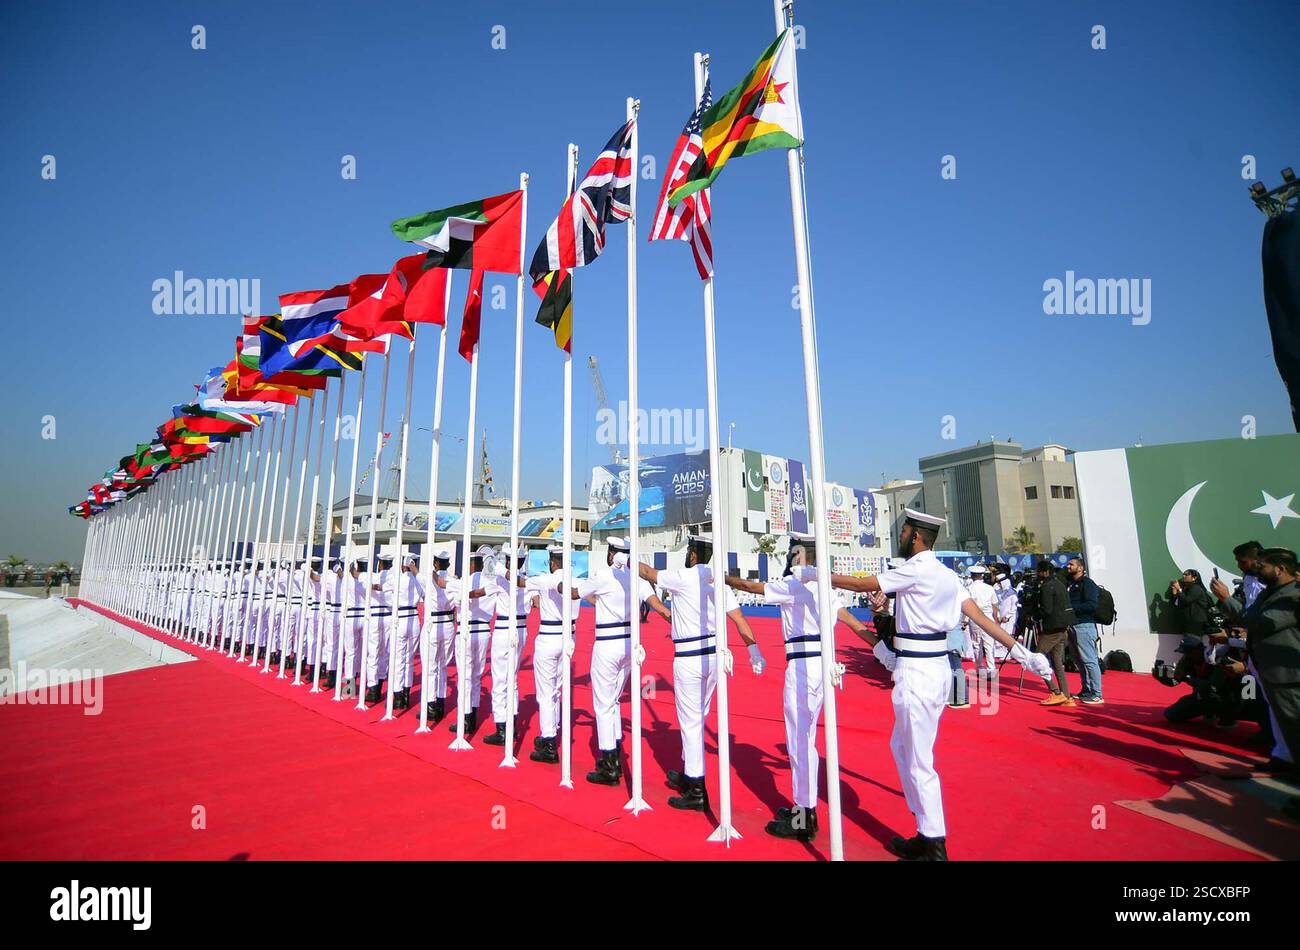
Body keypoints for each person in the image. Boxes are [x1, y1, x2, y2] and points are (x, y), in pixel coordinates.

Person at [822, 508, 1053, 861]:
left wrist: (820, 573)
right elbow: (981, 619)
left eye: (903, 532)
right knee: (902, 748)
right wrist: (1021, 652)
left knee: (918, 759)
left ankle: (934, 843)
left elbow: (863, 585)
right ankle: (925, 830)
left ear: (916, 536)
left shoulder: (917, 568)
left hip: (918, 672)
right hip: (928, 668)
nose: (900, 537)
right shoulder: (947, 576)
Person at [725, 532, 874, 840]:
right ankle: (803, 808)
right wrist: (883, 650)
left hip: (804, 667)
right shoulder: (824, 587)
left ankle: (803, 815)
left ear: (798, 555)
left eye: (792, 553)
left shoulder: (795, 584)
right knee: (805, 739)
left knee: (799, 742)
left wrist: (722, 577)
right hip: (822, 666)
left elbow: (752, 587)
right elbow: (851, 621)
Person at [640, 534, 765, 812]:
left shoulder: (684, 577)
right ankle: (688, 773)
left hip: (689, 659)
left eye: (689, 551)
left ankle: (696, 788)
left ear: (694, 554)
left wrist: (625, 557)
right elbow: (738, 618)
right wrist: (753, 649)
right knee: (698, 717)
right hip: (714, 659)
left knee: (691, 722)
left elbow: (647, 572)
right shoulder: (715, 580)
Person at [563, 537, 670, 787]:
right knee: (614, 701)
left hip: (608, 645)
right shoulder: (638, 579)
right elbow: (660, 608)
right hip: (630, 646)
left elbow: (575, 593)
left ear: (612, 554)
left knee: (603, 704)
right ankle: (616, 753)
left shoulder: (603, 575)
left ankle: (609, 764)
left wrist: (558, 586)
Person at [1214, 547, 1299, 777]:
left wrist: (1226, 599)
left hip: (1287, 671)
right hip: (1269, 667)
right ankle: (1284, 759)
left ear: (1280, 569)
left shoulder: (1293, 594)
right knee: (1279, 717)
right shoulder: (1270, 592)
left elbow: (1265, 623)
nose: (1256, 570)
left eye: (1263, 566)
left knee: (1294, 722)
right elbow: (1248, 617)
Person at [482, 544, 538, 747]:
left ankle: (502, 727)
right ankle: (511, 723)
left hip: (505, 628)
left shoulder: (501, 579)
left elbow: (482, 592)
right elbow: (537, 602)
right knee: (512, 679)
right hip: (522, 629)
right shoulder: (528, 581)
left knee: (499, 679)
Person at [524, 545, 574, 763]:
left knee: (545, 692)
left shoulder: (546, 579)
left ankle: (549, 742)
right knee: (557, 690)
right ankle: (553, 730)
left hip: (548, 636)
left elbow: (520, 583)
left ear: (553, 562)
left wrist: (498, 569)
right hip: (569, 638)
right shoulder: (577, 580)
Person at [446, 546, 496, 736]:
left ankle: (465, 718)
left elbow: (453, 601)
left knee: (465, 676)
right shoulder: (490, 583)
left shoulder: (461, 583)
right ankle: (472, 715)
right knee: (476, 676)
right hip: (483, 631)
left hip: (466, 630)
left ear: (470, 564)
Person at [421, 547, 457, 725]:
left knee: (430, 667)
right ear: (448, 563)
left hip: (433, 624)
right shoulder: (454, 580)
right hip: (449, 623)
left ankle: (430, 706)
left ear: (435, 562)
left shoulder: (428, 578)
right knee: (443, 666)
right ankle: (441, 703)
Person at [1035, 560, 1077, 706]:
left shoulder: (1047, 587)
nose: (1037, 574)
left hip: (1052, 629)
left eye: (1038, 571)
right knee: (1057, 663)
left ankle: (1055, 692)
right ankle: (1067, 696)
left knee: (1036, 659)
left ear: (1045, 572)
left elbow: (1046, 610)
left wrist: (1034, 613)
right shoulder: (1060, 584)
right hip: (1063, 628)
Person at [388, 554, 425, 711]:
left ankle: (397, 696)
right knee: (409, 659)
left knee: (398, 658)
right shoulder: (418, 580)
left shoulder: (396, 579)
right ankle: (406, 694)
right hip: (414, 618)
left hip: (401, 618)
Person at [1065, 556, 1104, 705]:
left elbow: (1091, 605)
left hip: (1085, 626)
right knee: (1079, 660)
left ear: (1080, 568)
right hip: (1074, 625)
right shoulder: (1071, 584)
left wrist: (1071, 609)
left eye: (1071, 564)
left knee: (1089, 660)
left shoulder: (1088, 584)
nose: (1068, 566)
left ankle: (1097, 693)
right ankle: (1086, 689)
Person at [964, 564, 997, 682]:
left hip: (975, 617)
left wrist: (965, 620)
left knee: (977, 644)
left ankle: (980, 669)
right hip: (988, 617)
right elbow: (995, 605)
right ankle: (991, 669)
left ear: (972, 576)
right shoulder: (989, 588)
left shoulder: (969, 588)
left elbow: (967, 605)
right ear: (982, 576)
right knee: (989, 644)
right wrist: (996, 620)